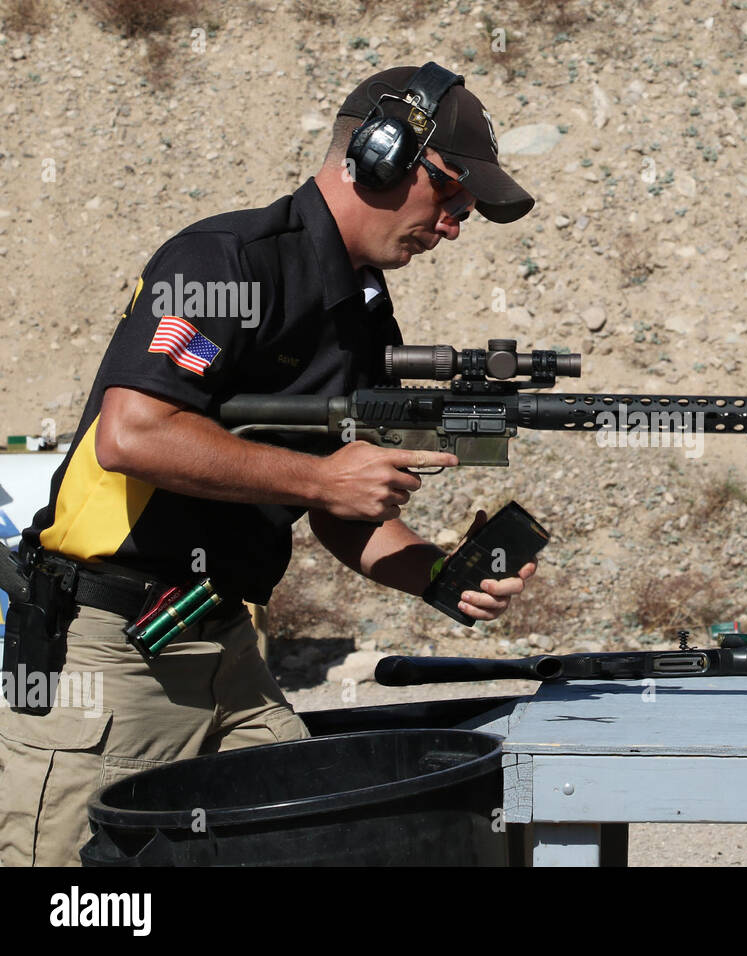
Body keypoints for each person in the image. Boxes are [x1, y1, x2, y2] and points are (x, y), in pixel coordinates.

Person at [0, 63, 537, 866]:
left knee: (317, 847)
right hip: (110, 658)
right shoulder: (223, 262)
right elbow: (133, 433)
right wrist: (325, 478)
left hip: (223, 647)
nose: (455, 224)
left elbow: (338, 508)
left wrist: (434, 574)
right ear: (381, 152)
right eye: (451, 195)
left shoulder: (362, 310)